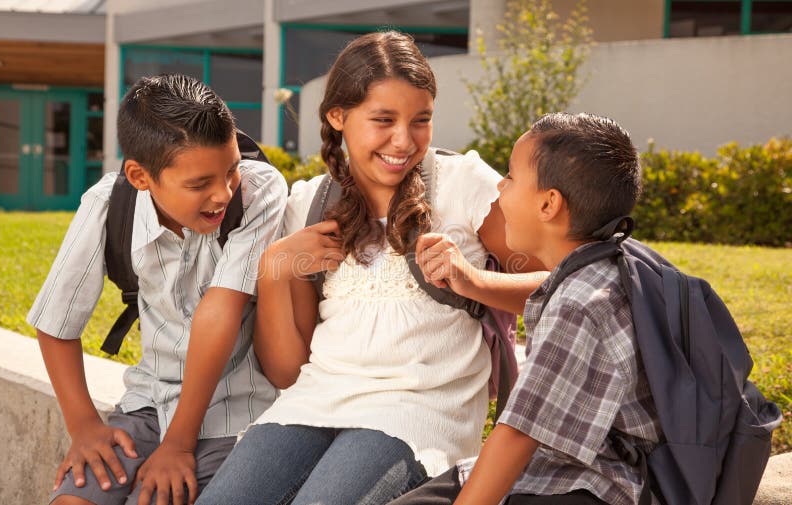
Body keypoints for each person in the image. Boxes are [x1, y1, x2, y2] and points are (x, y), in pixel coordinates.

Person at [197, 31, 544, 505]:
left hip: (417, 412)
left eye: (420, 121)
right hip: (312, 404)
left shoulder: (462, 184)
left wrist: (472, 278)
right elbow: (287, 372)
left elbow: (563, 286)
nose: (404, 140)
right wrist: (275, 267)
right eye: (383, 120)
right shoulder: (309, 205)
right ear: (338, 116)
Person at [29, 74, 287, 505]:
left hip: (236, 415)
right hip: (148, 405)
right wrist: (84, 427)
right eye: (199, 184)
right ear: (140, 176)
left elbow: (219, 314)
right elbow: (56, 321)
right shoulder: (109, 204)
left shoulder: (259, 192)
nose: (222, 193)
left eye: (230, 171)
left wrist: (179, 446)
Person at [387, 112, 662, 505]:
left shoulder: (579, 302)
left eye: (511, 177)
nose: (499, 186)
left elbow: (517, 436)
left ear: (549, 204)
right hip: (565, 465)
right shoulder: (605, 264)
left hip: (597, 483)